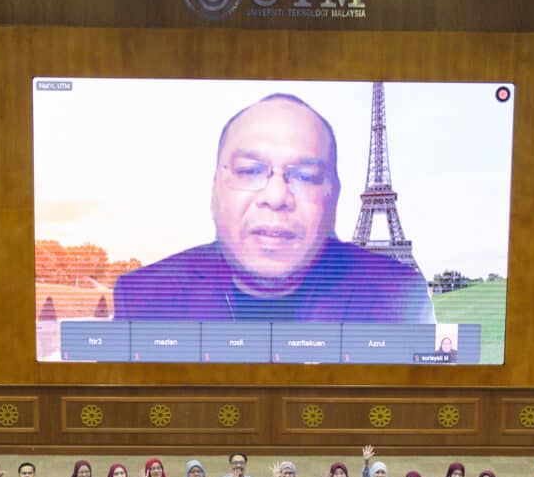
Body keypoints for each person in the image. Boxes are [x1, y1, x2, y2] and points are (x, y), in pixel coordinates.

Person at [112, 92, 435, 322]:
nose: (277, 196)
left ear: (334, 198)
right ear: (214, 192)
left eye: (306, 176)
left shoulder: (400, 295)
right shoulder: (143, 296)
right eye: (250, 171)